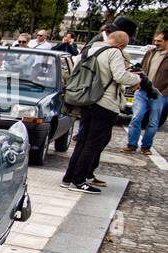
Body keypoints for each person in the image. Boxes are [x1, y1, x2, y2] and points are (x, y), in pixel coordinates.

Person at [62, 17, 142, 194]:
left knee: (82, 142)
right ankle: (79, 180)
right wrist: (137, 79)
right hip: (105, 103)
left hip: (88, 100)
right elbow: (121, 77)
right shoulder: (114, 52)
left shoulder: (92, 49)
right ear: (121, 44)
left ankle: (69, 177)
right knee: (93, 144)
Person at [123, 30, 168, 154]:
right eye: (155, 40)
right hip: (142, 91)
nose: (156, 43)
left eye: (159, 41)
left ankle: (146, 146)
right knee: (136, 118)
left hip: (159, 95)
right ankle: (131, 145)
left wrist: (163, 93)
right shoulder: (150, 53)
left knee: (153, 122)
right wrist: (137, 82)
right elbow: (141, 70)